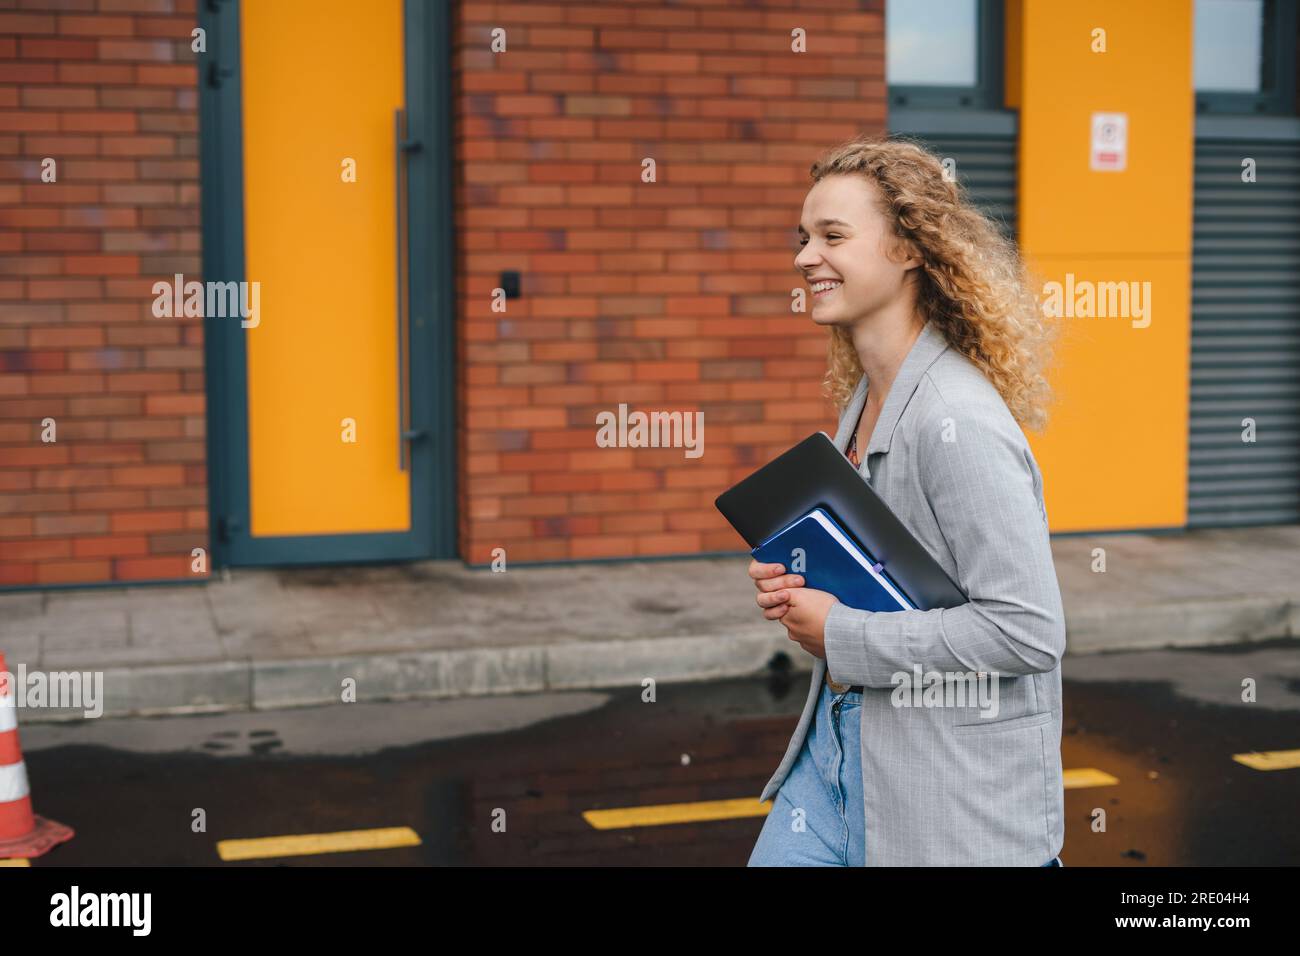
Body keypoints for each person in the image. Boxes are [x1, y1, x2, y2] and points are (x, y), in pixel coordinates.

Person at [746, 136, 1066, 867]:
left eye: (833, 236)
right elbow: (895, 577)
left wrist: (840, 633)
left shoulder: (959, 422)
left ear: (909, 251)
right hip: (835, 765)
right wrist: (800, 582)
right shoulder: (865, 398)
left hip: (949, 802)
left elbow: (1026, 633)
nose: (804, 257)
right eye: (803, 238)